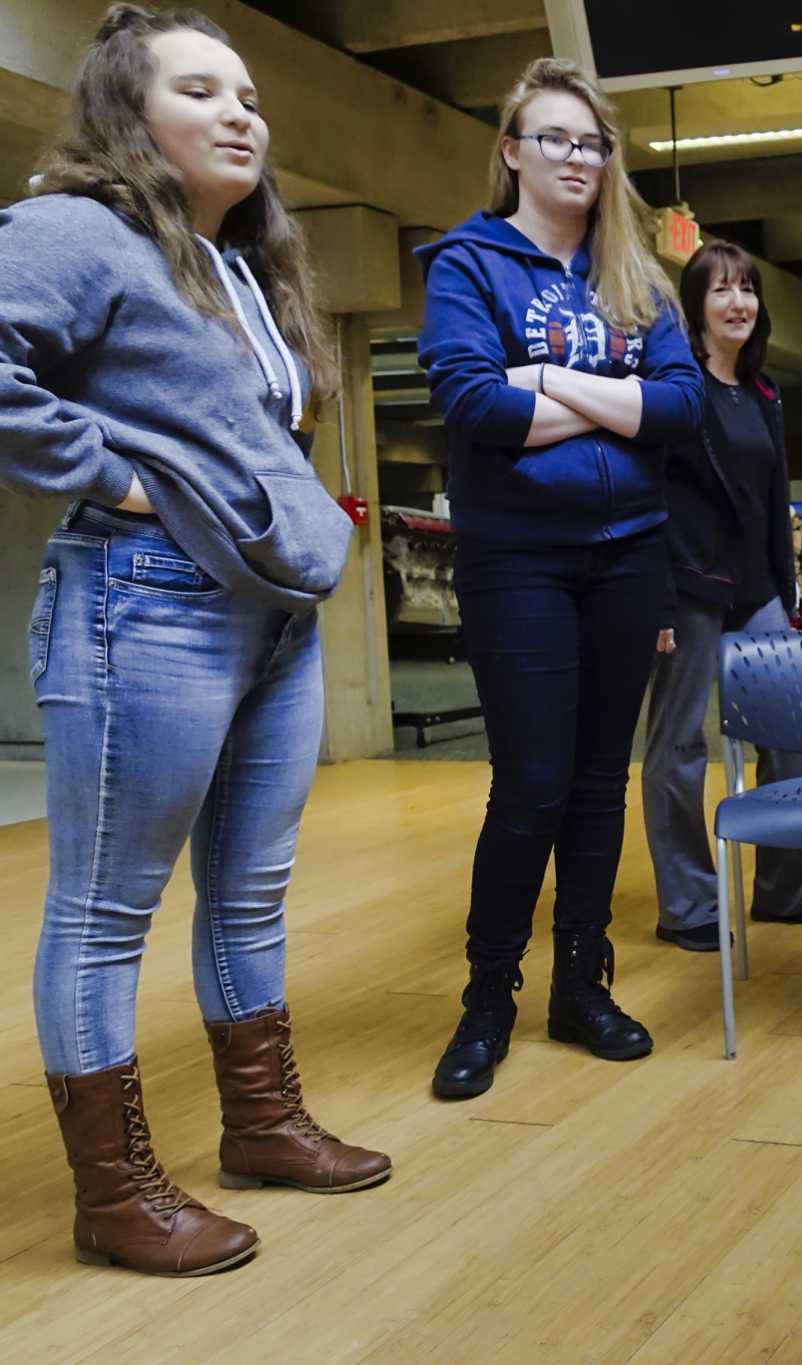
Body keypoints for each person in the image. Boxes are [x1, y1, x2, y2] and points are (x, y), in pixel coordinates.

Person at [2, 3, 390, 1277]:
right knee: (108, 911)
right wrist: (118, 480)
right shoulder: (77, 229)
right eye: (203, 91)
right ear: (131, 115)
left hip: (268, 614)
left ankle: (263, 1126)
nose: (242, 113)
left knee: (250, 890)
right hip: (143, 599)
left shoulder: (238, 264)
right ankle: (115, 1199)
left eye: (250, 97)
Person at [417, 58, 703, 1099]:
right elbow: (474, 408)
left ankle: (581, 982)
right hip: (519, 558)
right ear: (511, 151)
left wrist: (544, 380)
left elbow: (683, 407)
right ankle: (488, 995)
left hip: (628, 551)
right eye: (555, 139)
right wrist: (609, 394)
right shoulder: (466, 264)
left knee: (597, 783)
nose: (577, 158)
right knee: (531, 782)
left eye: (591, 143)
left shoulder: (634, 276)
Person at [642, 241, 802, 953]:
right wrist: (658, 600)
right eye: (722, 289)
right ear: (695, 304)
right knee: (678, 745)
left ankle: (788, 890)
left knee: (789, 736)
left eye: (748, 289)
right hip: (688, 585)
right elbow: (654, 495)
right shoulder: (676, 386)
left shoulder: (763, 393)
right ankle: (690, 906)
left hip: (757, 589)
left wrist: (786, 593)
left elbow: (772, 495)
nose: (738, 302)